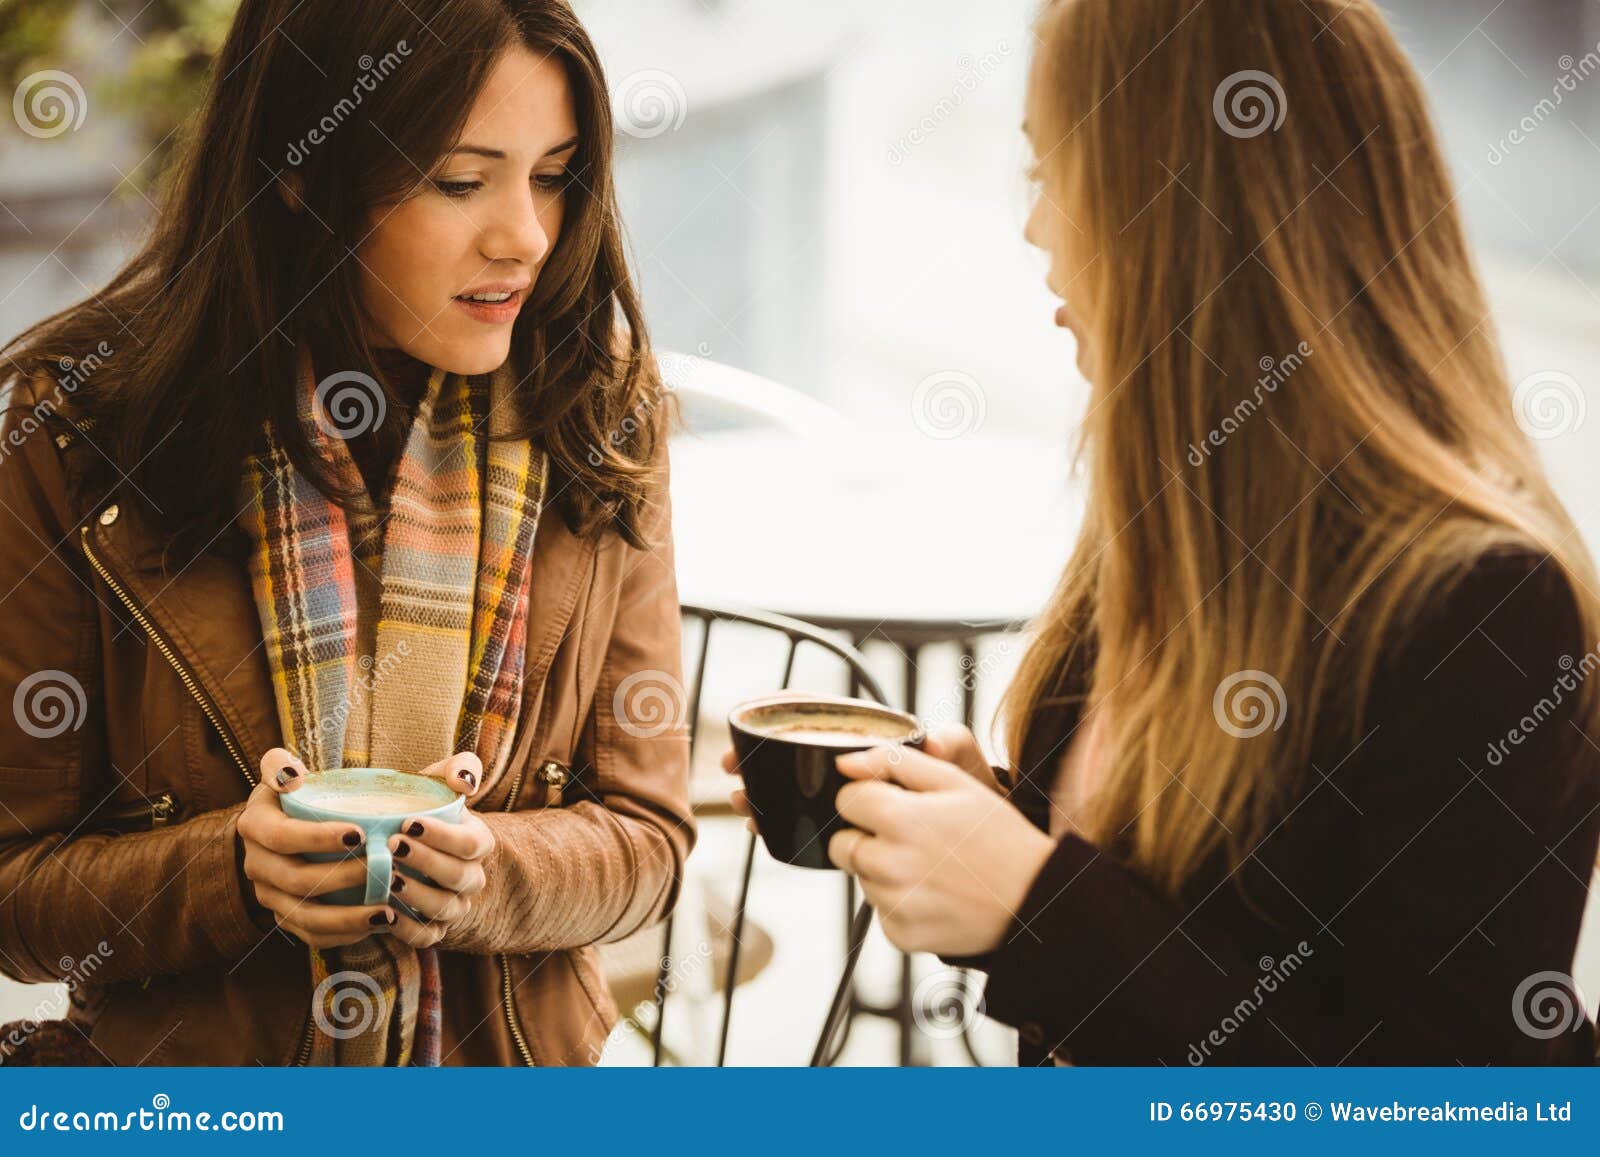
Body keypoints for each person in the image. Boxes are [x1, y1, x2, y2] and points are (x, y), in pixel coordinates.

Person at [730, 0, 1600, 1065]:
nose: (1033, 226)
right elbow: (1207, 929)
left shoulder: (1485, 607)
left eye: (1053, 172)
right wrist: (992, 827)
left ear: (1180, 207)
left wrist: (1035, 907)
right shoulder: (1176, 520)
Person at [0, 0, 691, 1066]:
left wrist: (485, 875)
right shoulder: (85, 429)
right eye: (462, 181)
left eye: (551, 175)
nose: (527, 237)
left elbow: (649, 841)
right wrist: (231, 872)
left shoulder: (593, 411)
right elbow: (16, 892)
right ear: (301, 172)